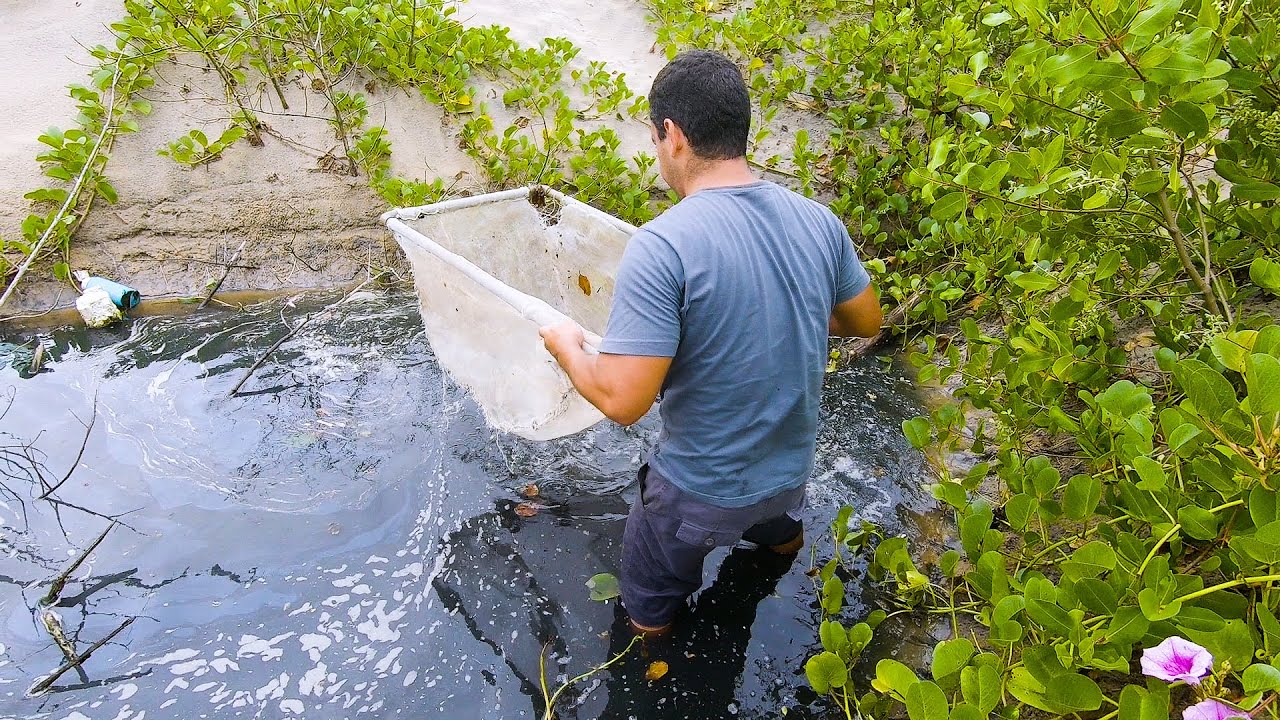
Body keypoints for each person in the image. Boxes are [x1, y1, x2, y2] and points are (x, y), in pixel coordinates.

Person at [539, 49, 882, 635]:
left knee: (645, 614)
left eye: (654, 138)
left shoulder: (662, 244)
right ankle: (776, 553)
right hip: (788, 474)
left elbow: (625, 402)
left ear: (671, 135)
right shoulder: (818, 220)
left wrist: (565, 343)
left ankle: (656, 654)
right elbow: (865, 322)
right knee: (775, 527)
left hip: (697, 494)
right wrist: (773, 309)